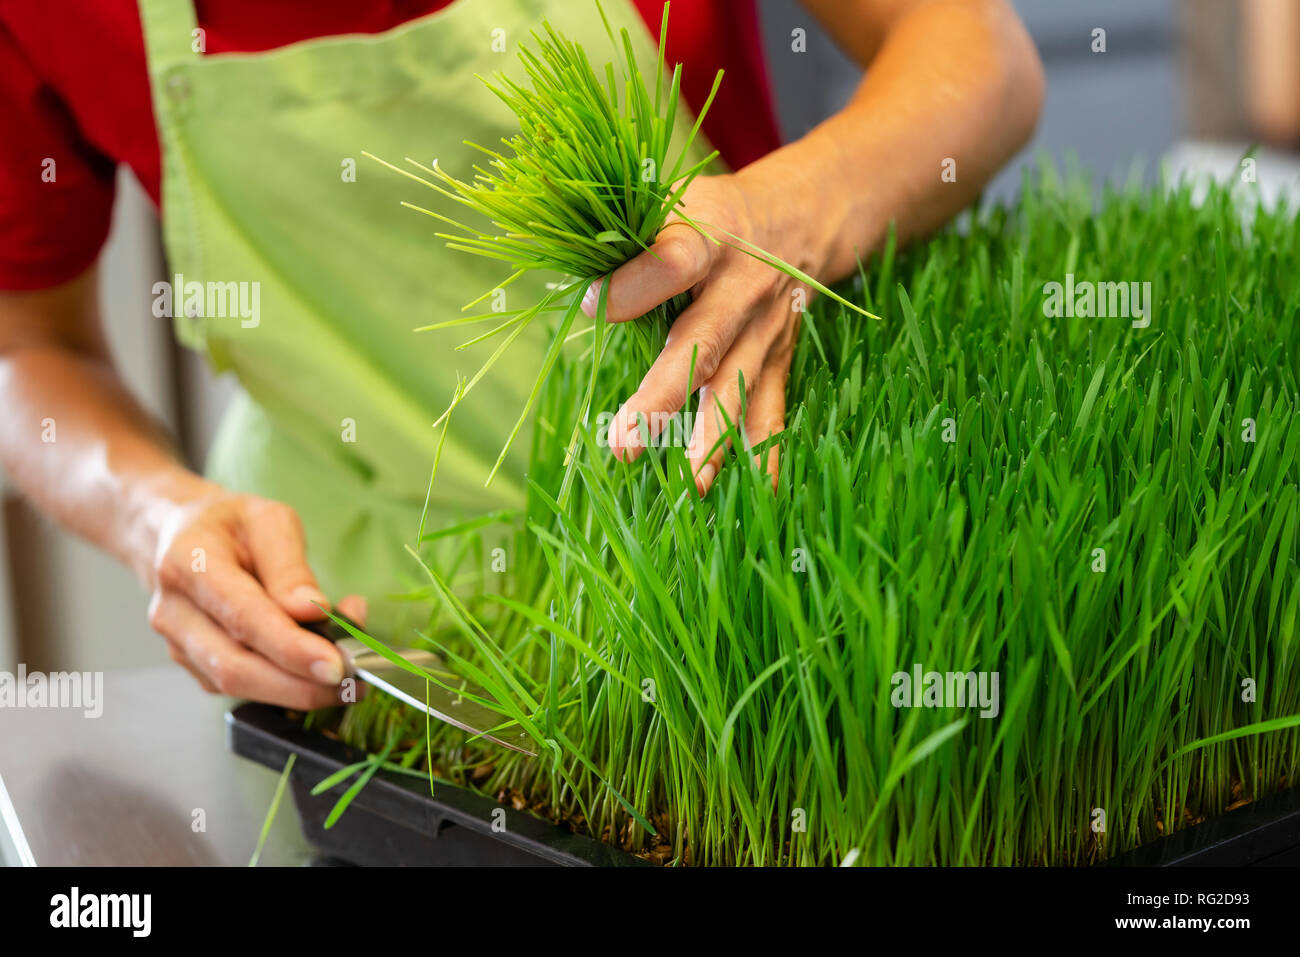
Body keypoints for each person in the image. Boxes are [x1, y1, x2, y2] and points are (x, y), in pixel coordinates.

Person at [0, 0, 1043, 710]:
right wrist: (154, 514)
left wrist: (798, 211)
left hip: (737, 565)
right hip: (370, 636)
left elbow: (976, 52)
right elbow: (27, 345)